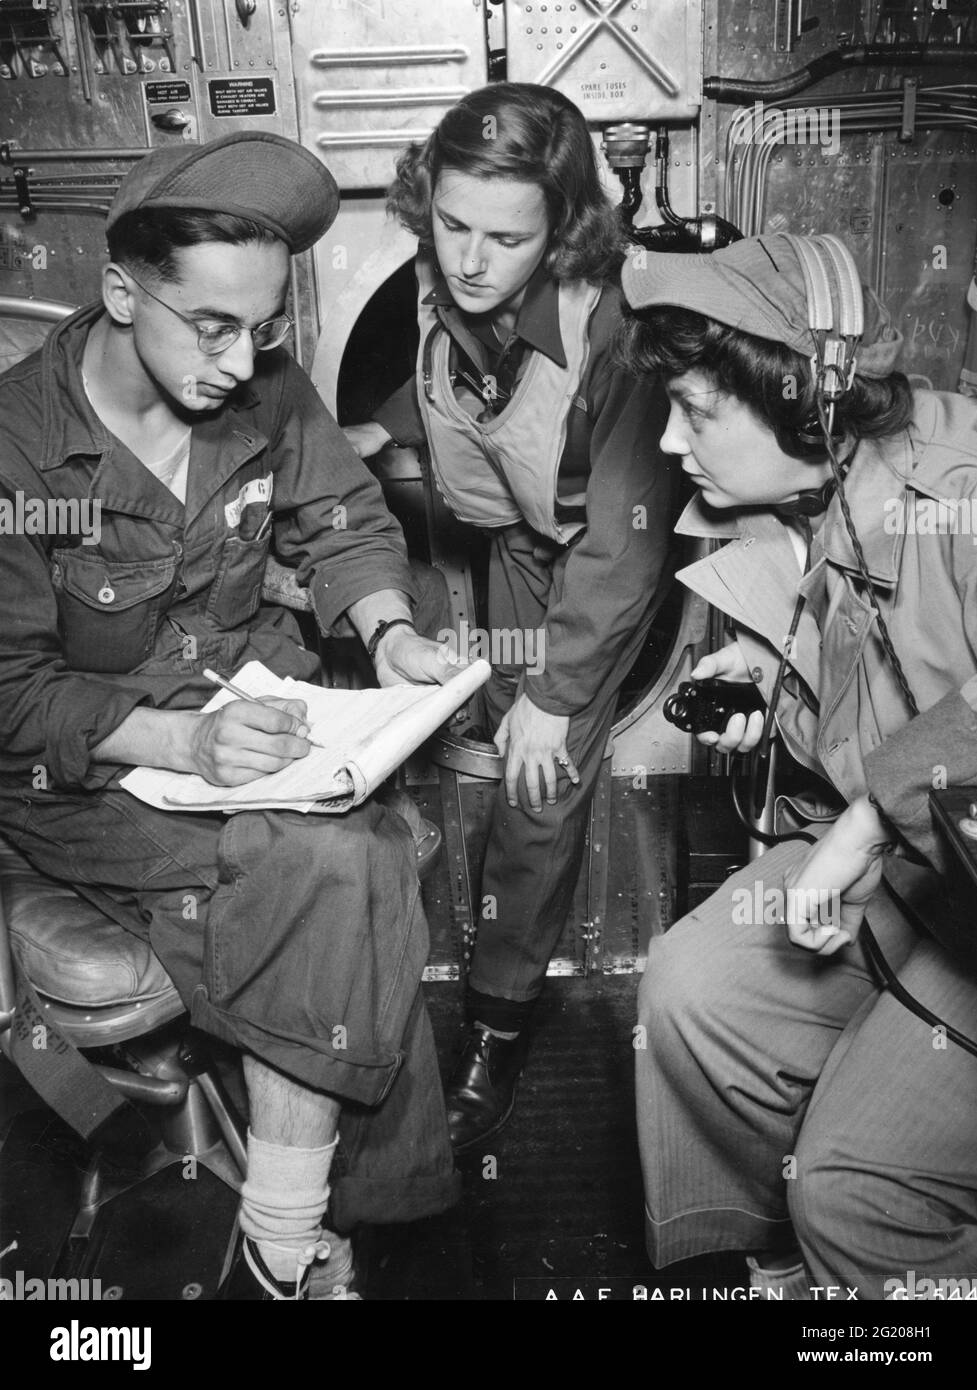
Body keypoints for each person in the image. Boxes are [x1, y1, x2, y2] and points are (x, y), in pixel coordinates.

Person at [0, 132, 462, 1300]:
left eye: (261, 328)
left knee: (358, 852)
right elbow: (9, 688)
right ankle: (291, 1238)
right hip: (87, 765)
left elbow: (346, 522)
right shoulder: (14, 446)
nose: (238, 358)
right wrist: (177, 740)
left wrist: (389, 632)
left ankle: (294, 1228)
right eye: (211, 325)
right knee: (339, 869)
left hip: (244, 724)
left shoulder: (261, 389)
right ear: (120, 292)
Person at [620, 233, 977, 1299]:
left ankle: (845, 1246)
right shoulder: (827, 496)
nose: (673, 444)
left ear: (802, 397)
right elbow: (885, 685)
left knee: (858, 1189)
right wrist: (774, 676)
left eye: (695, 410)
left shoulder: (964, 489)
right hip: (920, 883)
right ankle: (782, 1262)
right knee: (692, 989)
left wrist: (868, 825)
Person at [345, 83, 676, 1151]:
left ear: (563, 229)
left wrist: (558, 692)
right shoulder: (438, 290)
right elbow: (456, 404)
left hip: (598, 563)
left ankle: (497, 1021)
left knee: (535, 781)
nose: (469, 259)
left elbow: (624, 542)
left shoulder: (615, 327)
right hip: (513, 552)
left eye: (504, 236)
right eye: (449, 226)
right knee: (472, 735)